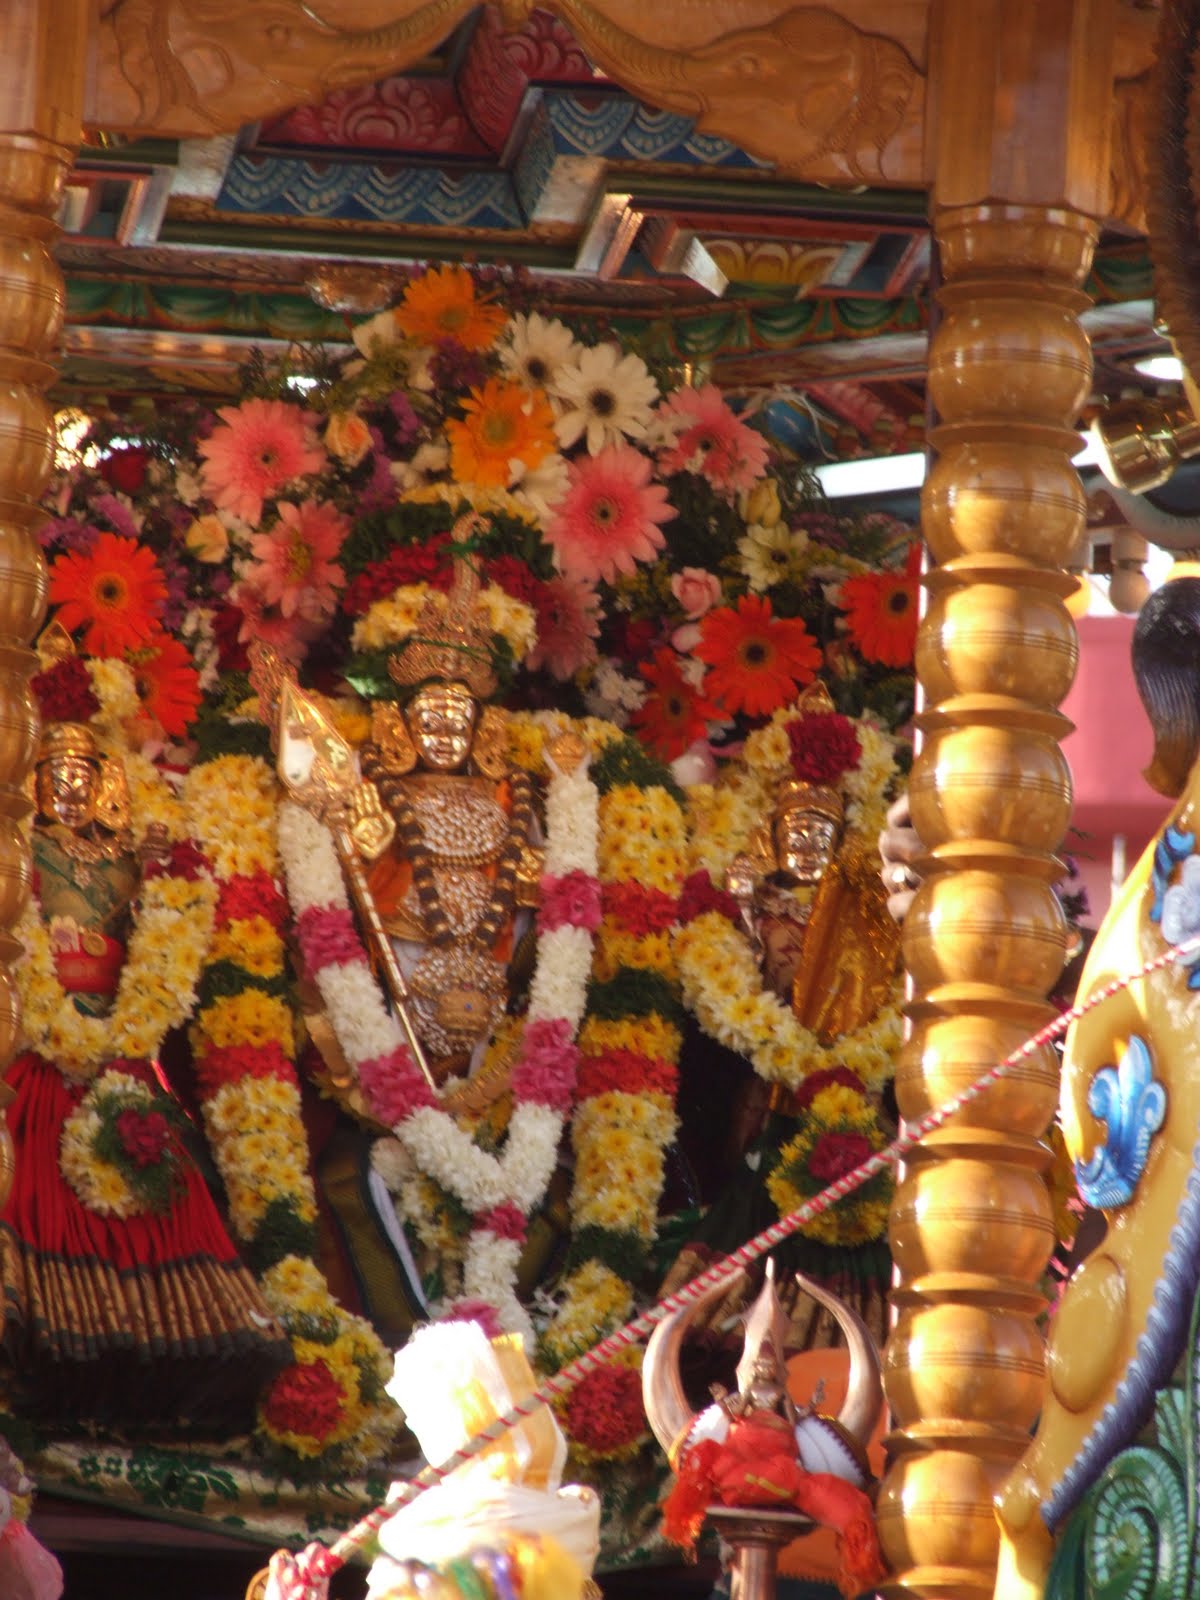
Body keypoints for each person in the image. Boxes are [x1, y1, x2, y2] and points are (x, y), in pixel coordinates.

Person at [0, 713, 290, 1433]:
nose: (68, 792)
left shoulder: (127, 855)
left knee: (156, 1214)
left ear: (105, 789)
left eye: (82, 780)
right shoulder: (19, 851)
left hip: (123, 1058)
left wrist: (161, 868)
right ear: (32, 785)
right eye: (55, 779)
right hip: (39, 1055)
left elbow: (160, 928)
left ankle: (152, 1383)